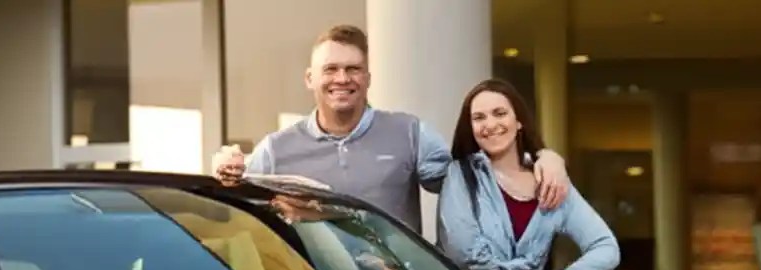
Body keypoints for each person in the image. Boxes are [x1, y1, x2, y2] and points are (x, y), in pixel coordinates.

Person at [210, 24, 571, 235]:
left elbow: (475, 175)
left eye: (353, 69)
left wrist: (543, 156)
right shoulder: (277, 149)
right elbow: (230, 205)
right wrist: (223, 165)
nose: (342, 79)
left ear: (368, 78)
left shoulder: (410, 134)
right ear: (310, 79)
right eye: (331, 69)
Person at [437, 78, 619, 270]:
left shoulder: (553, 184)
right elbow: (463, 251)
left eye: (500, 113)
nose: (490, 125)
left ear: (519, 120)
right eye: (479, 118)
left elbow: (605, 248)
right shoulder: (460, 176)